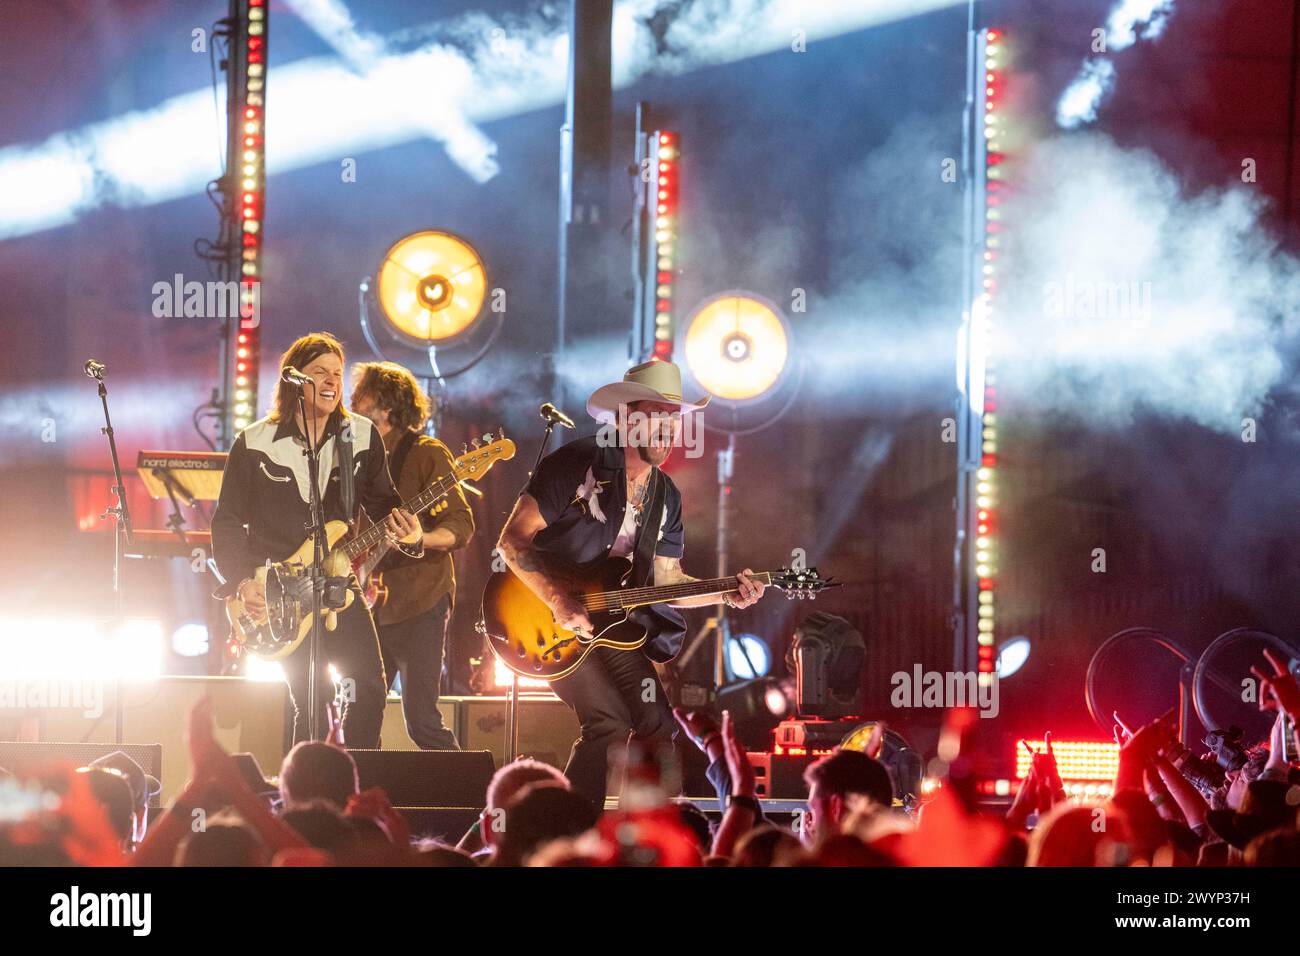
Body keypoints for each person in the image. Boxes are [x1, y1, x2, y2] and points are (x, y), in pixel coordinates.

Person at [495, 359, 767, 809]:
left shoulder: (666, 496)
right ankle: (565, 842)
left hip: (609, 625)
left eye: (673, 418)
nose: (667, 427)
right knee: (606, 723)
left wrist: (727, 593)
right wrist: (558, 600)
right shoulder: (576, 462)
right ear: (625, 418)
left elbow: (668, 581)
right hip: (536, 614)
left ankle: (646, 843)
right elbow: (512, 540)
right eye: (655, 415)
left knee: (658, 724)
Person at [211, 332, 422, 747]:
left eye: (337, 374)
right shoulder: (254, 442)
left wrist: (409, 534)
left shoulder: (360, 436)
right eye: (319, 373)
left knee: (369, 688)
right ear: (294, 380)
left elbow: (383, 504)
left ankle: (356, 788)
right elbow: (228, 522)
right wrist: (242, 582)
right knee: (312, 701)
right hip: (278, 591)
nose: (331, 382)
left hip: (338, 586)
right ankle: (305, 797)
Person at [350, 361, 475, 750]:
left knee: (421, 720)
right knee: (358, 719)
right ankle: (357, 804)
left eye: (361, 396)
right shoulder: (357, 454)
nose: (351, 401)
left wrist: (421, 539)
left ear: (385, 407)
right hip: (370, 604)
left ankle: (467, 801)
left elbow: (461, 526)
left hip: (420, 601)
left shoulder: (424, 453)